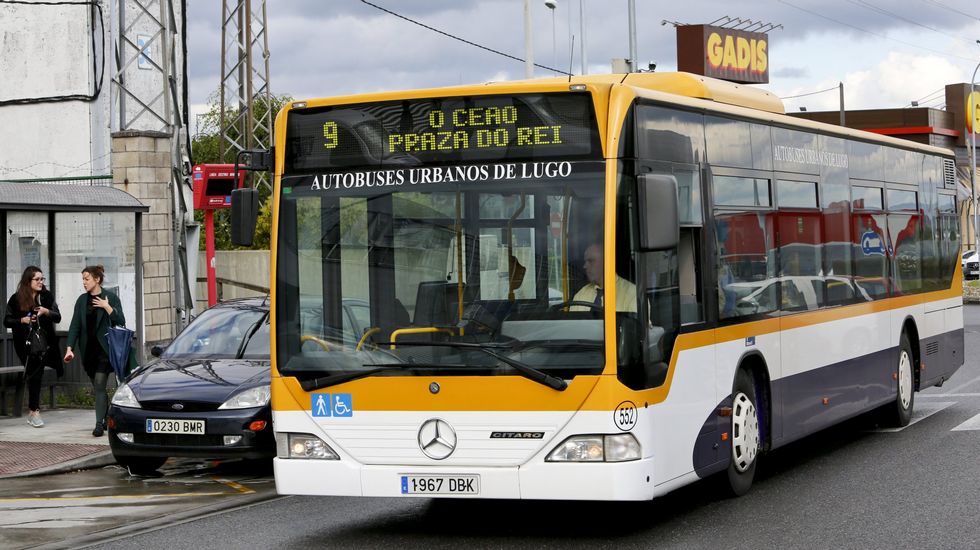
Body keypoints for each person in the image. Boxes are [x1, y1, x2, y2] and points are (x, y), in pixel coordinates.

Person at [64, 265, 131, 437]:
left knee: (100, 383)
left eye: (87, 279)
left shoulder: (110, 297)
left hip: (105, 350)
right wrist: (69, 348)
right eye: (83, 279)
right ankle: (108, 416)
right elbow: (75, 326)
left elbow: (121, 320)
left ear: (97, 279)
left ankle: (99, 424)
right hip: (89, 351)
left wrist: (107, 307)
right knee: (97, 387)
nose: (84, 282)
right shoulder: (81, 301)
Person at [3, 266, 62, 427]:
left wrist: (45, 311)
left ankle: (33, 411)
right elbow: (7, 321)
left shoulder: (47, 297)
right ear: (28, 281)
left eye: (42, 279)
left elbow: (58, 317)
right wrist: (21, 320)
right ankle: (33, 411)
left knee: (36, 373)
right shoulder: (17, 299)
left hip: (44, 344)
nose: (41, 282)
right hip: (25, 344)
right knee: (34, 372)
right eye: (37, 279)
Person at [571, 243, 637, 312]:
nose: (585, 266)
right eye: (585, 261)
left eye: (591, 261)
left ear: (606, 262)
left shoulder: (632, 294)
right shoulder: (581, 295)